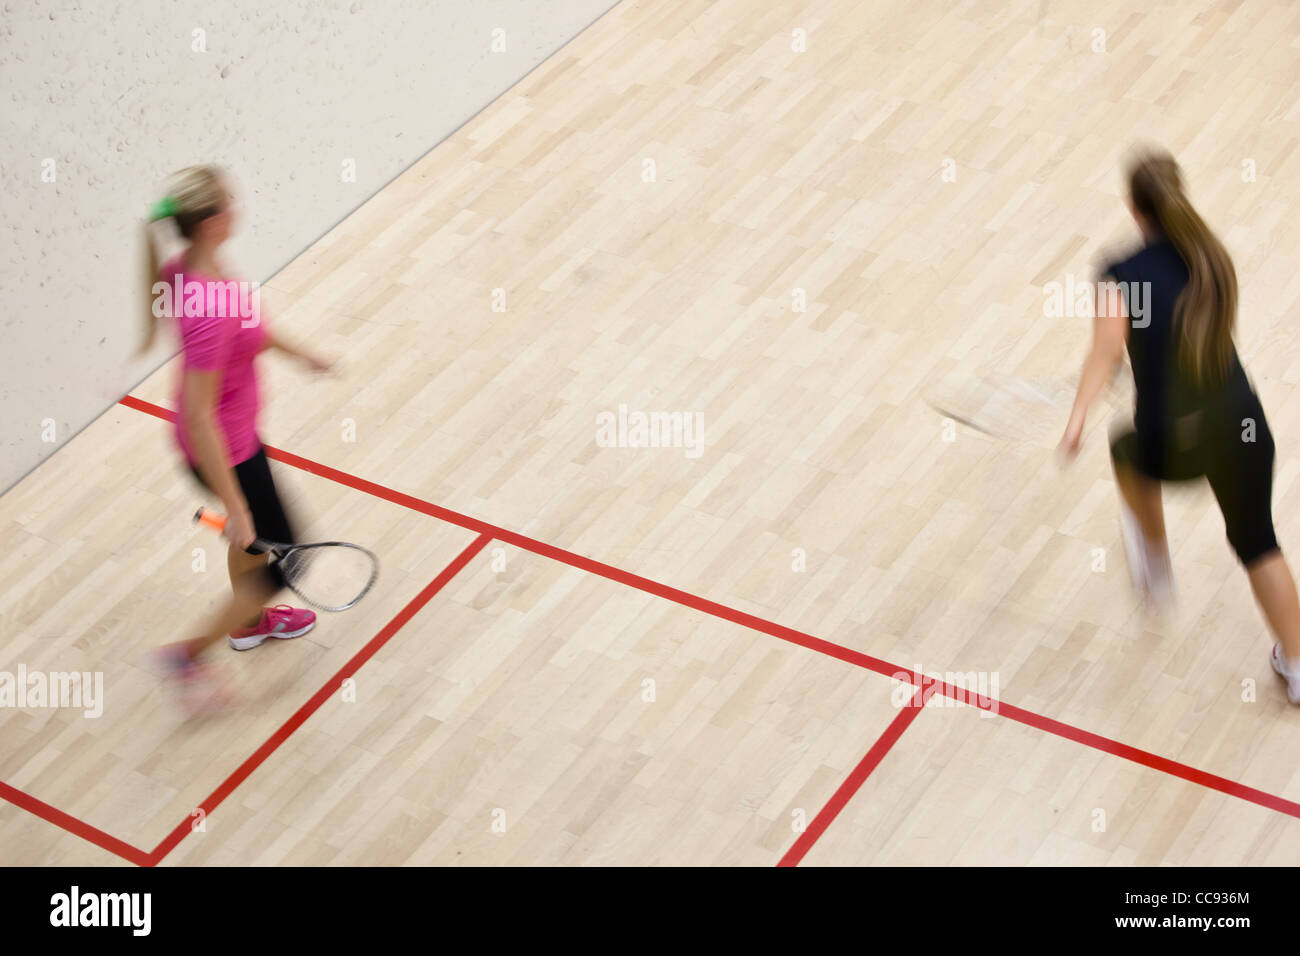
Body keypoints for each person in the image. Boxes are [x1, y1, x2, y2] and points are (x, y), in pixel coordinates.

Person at [1059, 147, 1300, 705]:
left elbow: (1105, 354)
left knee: (1124, 448)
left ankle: (1154, 558)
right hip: (1243, 425)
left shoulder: (1123, 274)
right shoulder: (1207, 254)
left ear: (1133, 209)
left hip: (1175, 442)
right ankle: (1296, 664)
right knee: (1258, 541)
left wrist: (1076, 420)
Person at [142, 165, 334, 712]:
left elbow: (249, 329)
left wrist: (302, 355)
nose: (237, 206)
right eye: (228, 201)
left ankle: (249, 624)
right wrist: (232, 506)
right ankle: (186, 657)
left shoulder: (187, 268)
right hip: (221, 447)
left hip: (233, 438)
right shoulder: (209, 305)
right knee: (288, 557)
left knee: (257, 544)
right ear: (209, 223)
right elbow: (202, 417)